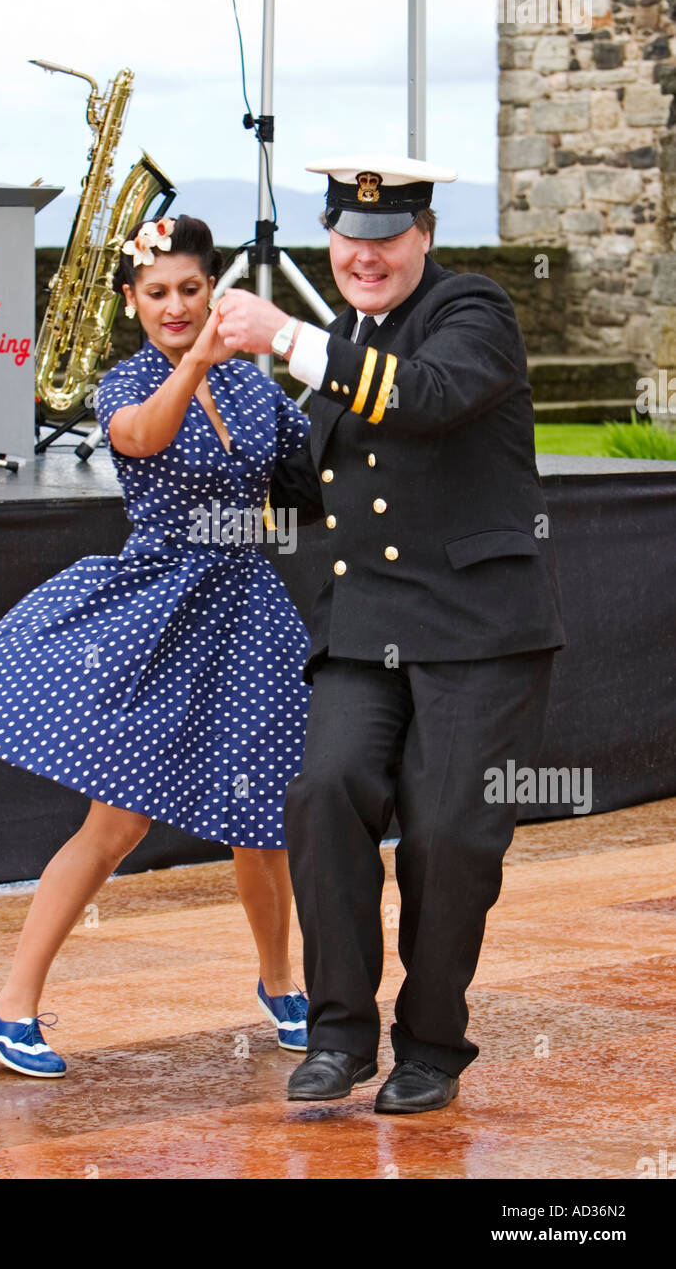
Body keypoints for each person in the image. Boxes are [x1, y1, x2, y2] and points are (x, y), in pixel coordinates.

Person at [0, 214, 313, 1076]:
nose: (176, 305)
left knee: (264, 818)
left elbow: (315, 473)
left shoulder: (257, 389)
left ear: (216, 291)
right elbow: (144, 439)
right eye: (158, 292)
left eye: (192, 290)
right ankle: (11, 1003)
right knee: (116, 823)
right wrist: (199, 359)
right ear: (133, 301)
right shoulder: (125, 385)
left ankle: (283, 982)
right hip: (162, 607)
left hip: (248, 609)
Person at [216, 156, 566, 1113]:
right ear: (327, 241)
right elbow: (307, 492)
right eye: (347, 241)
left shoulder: (474, 312)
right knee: (324, 794)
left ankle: (432, 1044)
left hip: (477, 630)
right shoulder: (337, 338)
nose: (364, 258)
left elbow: (423, 397)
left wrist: (279, 333)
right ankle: (337, 1036)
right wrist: (201, 403)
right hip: (365, 627)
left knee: (449, 838)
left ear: (422, 237)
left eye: (384, 240)